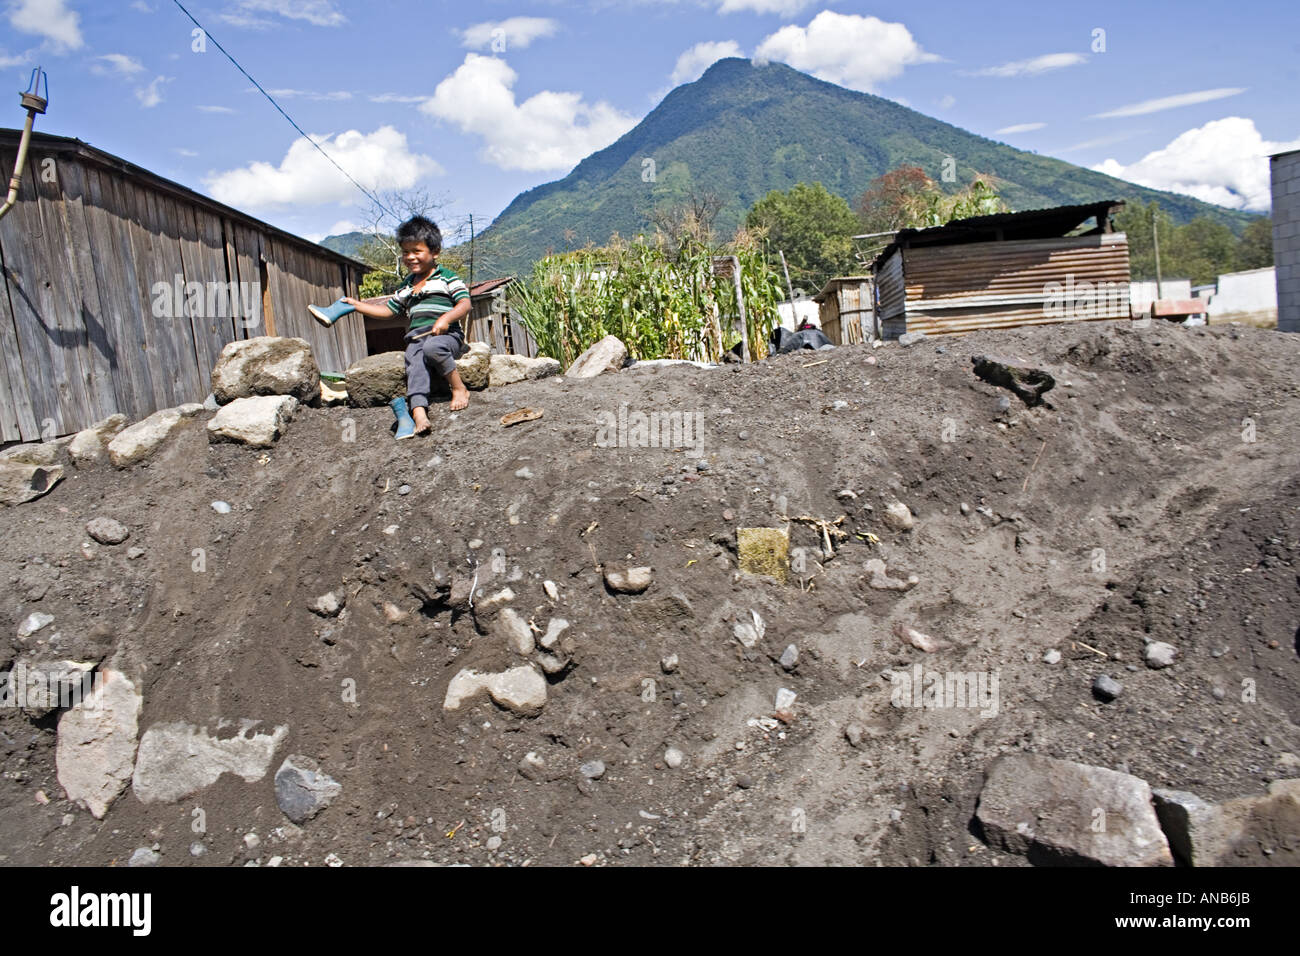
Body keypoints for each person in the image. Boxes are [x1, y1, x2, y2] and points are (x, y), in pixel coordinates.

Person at [338, 217, 472, 432]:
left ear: (434, 252)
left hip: (447, 336)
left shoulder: (447, 278)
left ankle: (458, 388)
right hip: (417, 337)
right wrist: (356, 305)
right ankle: (419, 413)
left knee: (433, 347)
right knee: (415, 364)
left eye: (417, 251)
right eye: (406, 252)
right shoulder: (406, 286)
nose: (411, 257)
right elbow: (388, 311)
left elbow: (465, 304)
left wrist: (445, 319)